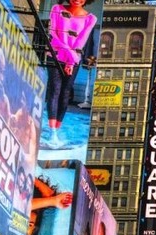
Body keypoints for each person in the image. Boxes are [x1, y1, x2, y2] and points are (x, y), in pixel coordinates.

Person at [46, 0, 97, 142]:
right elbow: (53, 36)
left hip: (74, 59)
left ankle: (57, 128)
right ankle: (52, 132)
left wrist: (70, 61)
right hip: (55, 55)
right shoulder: (57, 9)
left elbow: (81, 41)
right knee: (54, 90)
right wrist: (69, 54)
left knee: (65, 92)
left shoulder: (90, 18)